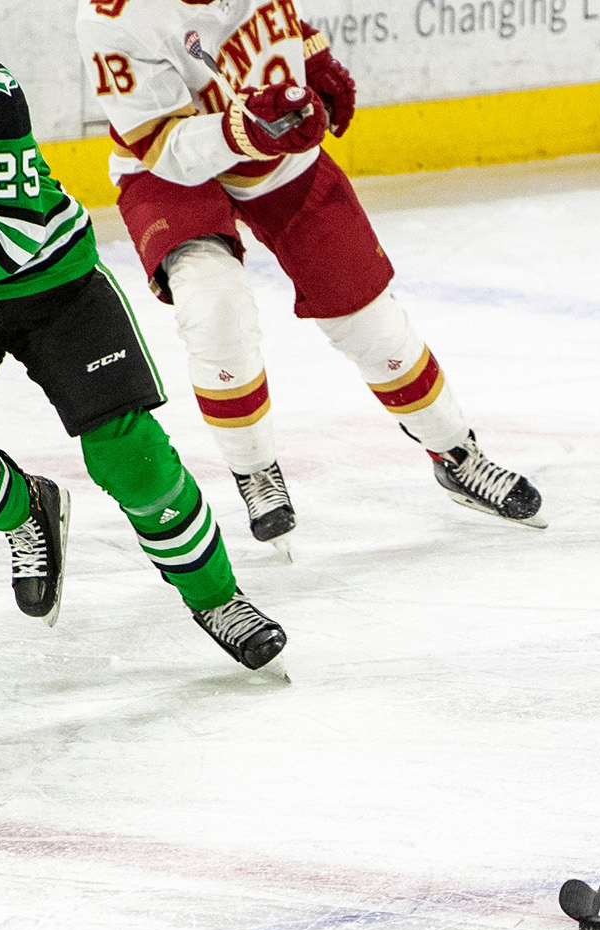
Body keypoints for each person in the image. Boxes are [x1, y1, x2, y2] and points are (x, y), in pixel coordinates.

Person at [75, 1, 542, 554]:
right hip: (171, 169)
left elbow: (277, 19)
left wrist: (311, 58)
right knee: (214, 306)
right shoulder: (112, 16)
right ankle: (254, 471)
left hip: (280, 150)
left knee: (370, 321)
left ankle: (456, 454)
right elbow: (164, 147)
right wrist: (247, 129)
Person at [0, 59, 285, 670]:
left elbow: (15, 233)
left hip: (53, 283)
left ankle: (218, 599)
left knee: (132, 458)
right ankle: (27, 510)